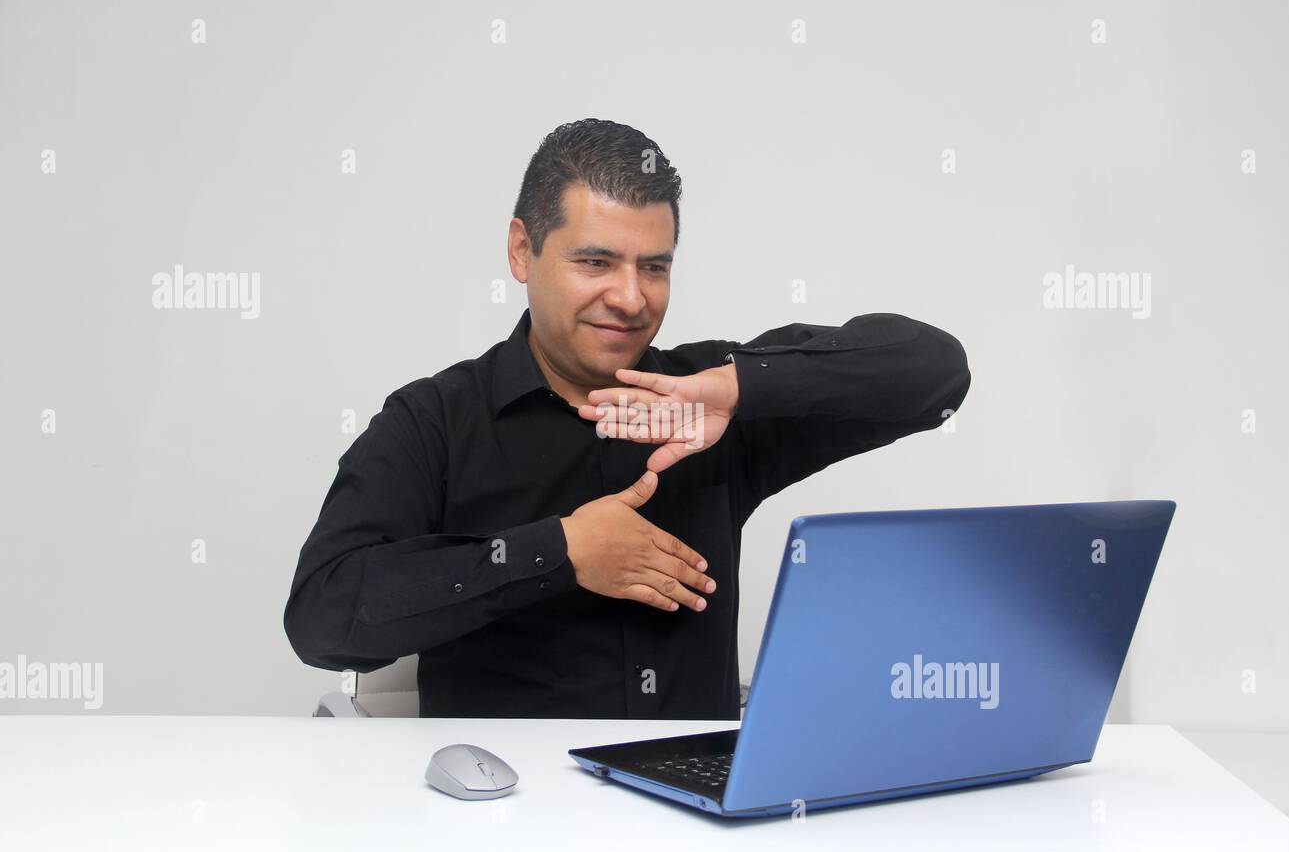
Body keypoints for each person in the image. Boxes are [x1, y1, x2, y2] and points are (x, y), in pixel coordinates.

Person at [283, 118, 972, 719]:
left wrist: (741, 386)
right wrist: (560, 551)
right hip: (507, 802)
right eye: (596, 262)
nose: (631, 298)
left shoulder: (710, 399)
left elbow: (935, 373)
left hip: (692, 800)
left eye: (655, 267)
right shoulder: (433, 420)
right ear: (522, 250)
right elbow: (321, 618)